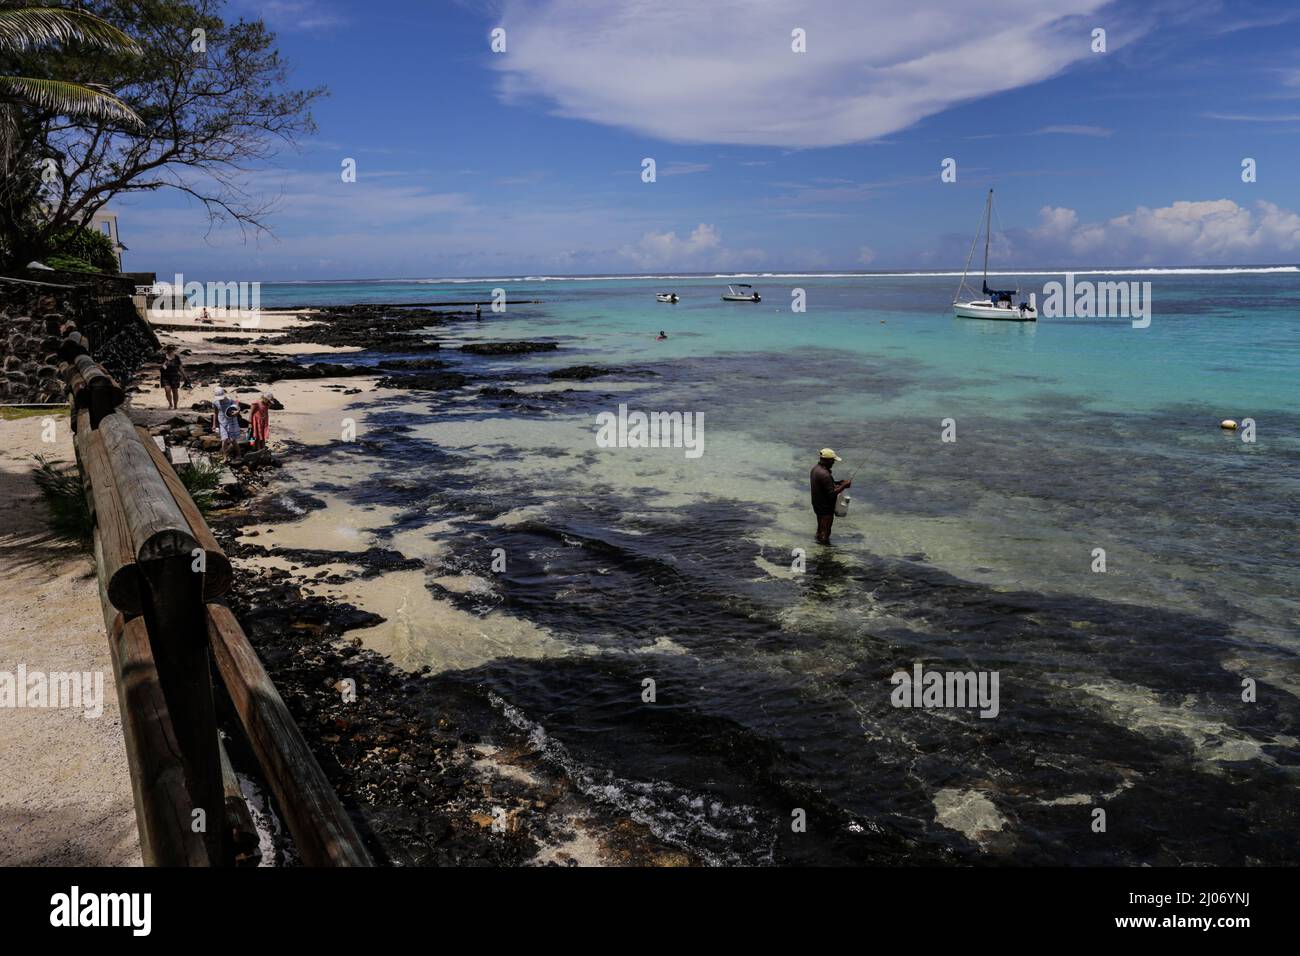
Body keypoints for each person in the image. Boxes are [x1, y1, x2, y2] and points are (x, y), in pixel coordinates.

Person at [810, 447, 851, 544]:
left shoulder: (815, 469)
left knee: (820, 529)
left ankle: (818, 544)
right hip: (825, 508)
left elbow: (824, 485)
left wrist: (838, 482)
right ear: (827, 460)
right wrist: (844, 485)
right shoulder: (825, 474)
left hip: (817, 505)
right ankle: (824, 554)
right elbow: (831, 494)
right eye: (832, 460)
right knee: (826, 531)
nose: (833, 462)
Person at [211, 386, 242, 461]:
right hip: (222, 423)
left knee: (233, 440)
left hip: (232, 422)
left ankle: (239, 454)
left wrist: (237, 412)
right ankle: (225, 456)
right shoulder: (215, 402)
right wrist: (214, 424)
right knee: (224, 440)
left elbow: (237, 408)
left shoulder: (230, 400)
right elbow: (215, 413)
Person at [159, 344, 190, 410]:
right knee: (167, 390)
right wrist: (164, 365)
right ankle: (170, 404)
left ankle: (175, 405)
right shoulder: (163, 357)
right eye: (170, 349)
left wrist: (185, 376)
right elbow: (159, 366)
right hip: (165, 376)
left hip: (175, 376)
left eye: (172, 349)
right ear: (167, 349)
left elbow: (180, 367)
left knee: (175, 391)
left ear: (174, 349)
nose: (171, 350)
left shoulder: (176, 357)